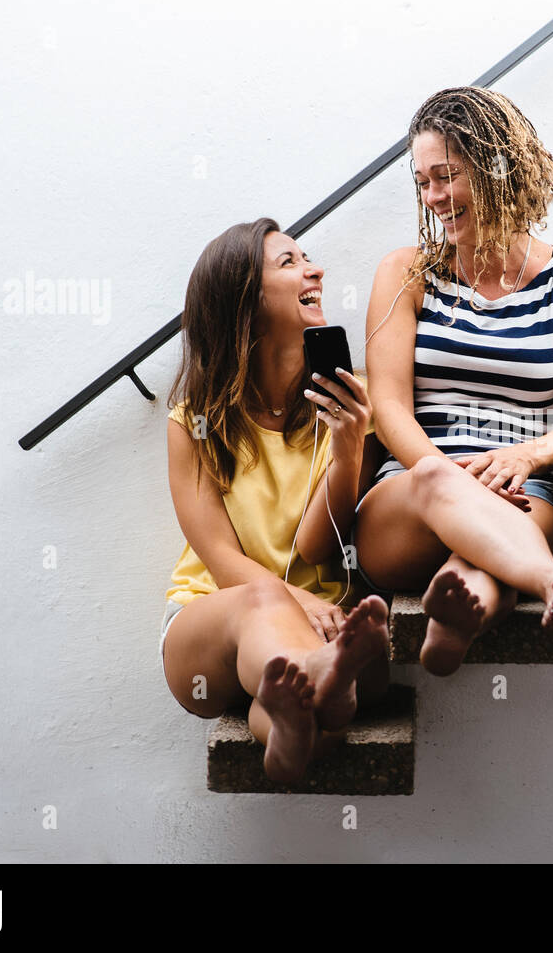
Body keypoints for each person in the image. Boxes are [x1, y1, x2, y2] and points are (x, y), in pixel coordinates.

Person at [351, 86, 553, 677]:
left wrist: (528, 454)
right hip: (412, 496)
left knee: (478, 564)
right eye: (423, 182)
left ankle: (458, 613)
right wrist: (447, 476)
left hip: (522, 492)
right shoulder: (406, 272)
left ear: (497, 168)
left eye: (446, 176)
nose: (434, 198)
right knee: (444, 494)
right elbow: (388, 406)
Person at [160, 217, 390, 785]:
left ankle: (288, 733)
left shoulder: (350, 405)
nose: (314, 269)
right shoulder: (196, 419)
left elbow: (323, 545)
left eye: (306, 257)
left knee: (307, 705)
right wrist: (294, 603)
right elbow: (218, 556)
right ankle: (318, 675)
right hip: (211, 627)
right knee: (264, 600)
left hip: (318, 631)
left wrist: (346, 450)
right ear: (245, 301)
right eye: (289, 263)